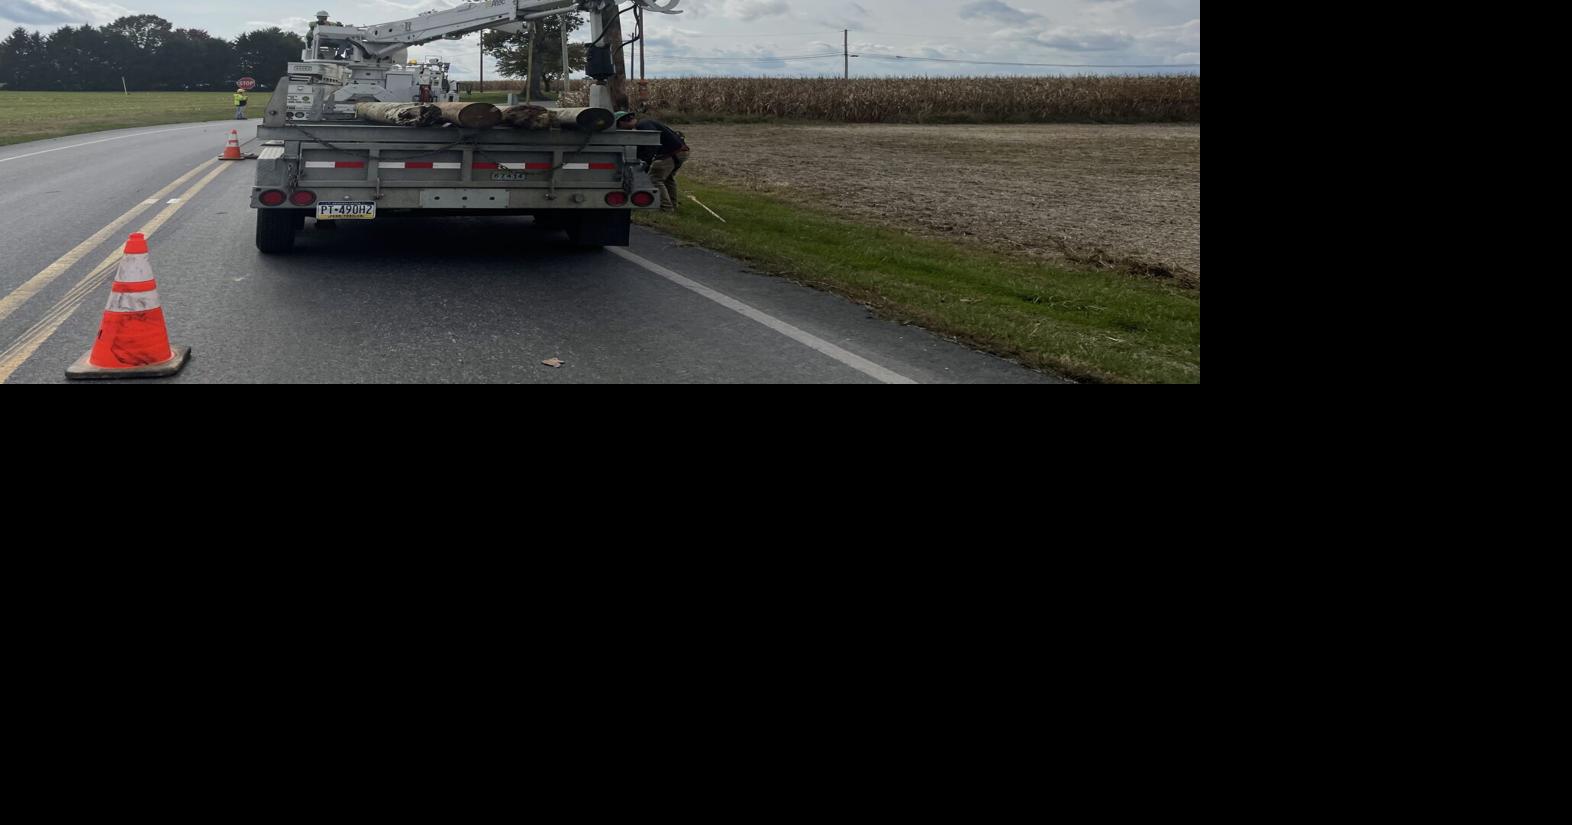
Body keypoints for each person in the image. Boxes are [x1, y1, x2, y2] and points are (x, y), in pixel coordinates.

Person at [615, 111, 689, 212]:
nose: (620, 129)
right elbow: (643, 148)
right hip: (680, 152)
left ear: (623, 122)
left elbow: (651, 144)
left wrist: (646, 163)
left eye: (618, 125)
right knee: (668, 179)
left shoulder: (643, 125)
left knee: (655, 178)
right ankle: (672, 205)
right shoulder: (644, 124)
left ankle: (665, 208)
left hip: (671, 154)